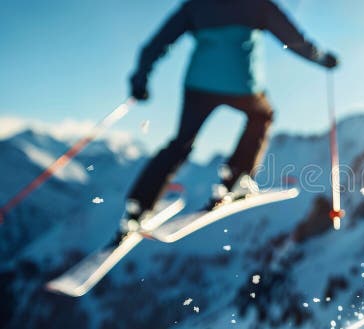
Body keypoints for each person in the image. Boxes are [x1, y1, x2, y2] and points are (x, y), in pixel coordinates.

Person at [114, 0, 338, 244]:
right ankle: (237, 177)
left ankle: (139, 206)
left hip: (198, 83)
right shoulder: (259, 5)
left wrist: (140, 79)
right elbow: (295, 41)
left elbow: (158, 43)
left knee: (181, 142)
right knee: (262, 115)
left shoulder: (196, 6)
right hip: (241, 83)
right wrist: (322, 59)